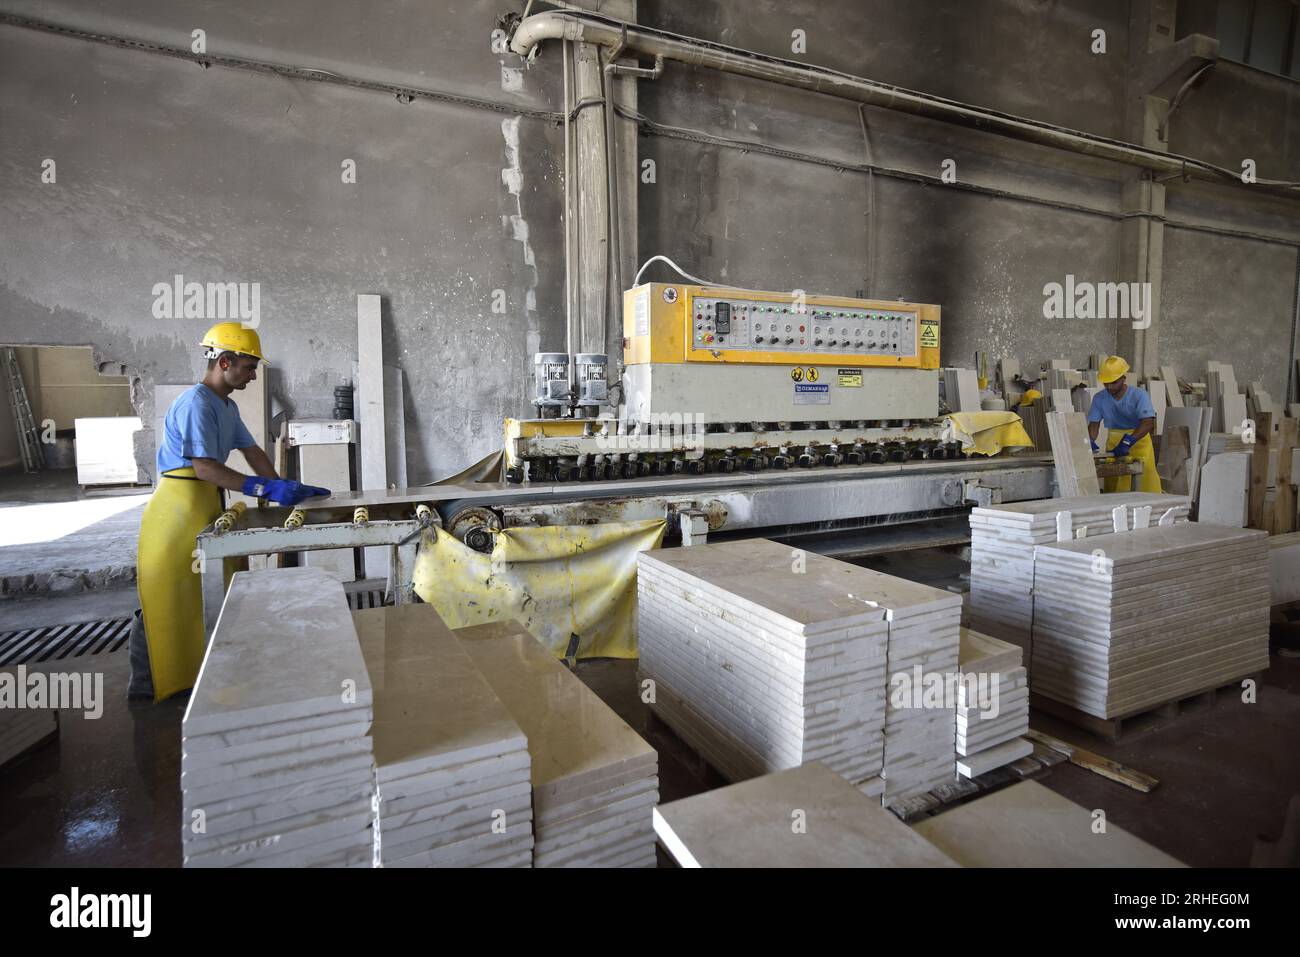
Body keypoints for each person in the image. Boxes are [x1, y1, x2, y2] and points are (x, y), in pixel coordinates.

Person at [130, 323, 330, 701]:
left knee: (208, 591)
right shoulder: (196, 403)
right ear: (225, 362)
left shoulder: (226, 405)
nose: (253, 376)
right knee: (168, 598)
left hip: (204, 502)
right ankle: (147, 688)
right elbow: (204, 467)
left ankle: (204, 676)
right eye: (249, 367)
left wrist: (283, 487)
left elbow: (252, 451)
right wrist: (262, 488)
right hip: (176, 510)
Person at [1087, 355, 1162, 494]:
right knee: (1115, 484)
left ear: (1123, 378)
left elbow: (1148, 423)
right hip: (1114, 443)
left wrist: (1128, 441)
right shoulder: (1099, 398)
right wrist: (1090, 440)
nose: (1109, 387)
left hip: (1139, 441)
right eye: (1106, 383)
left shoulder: (1139, 395)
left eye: (1113, 382)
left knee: (1144, 482)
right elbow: (1094, 424)